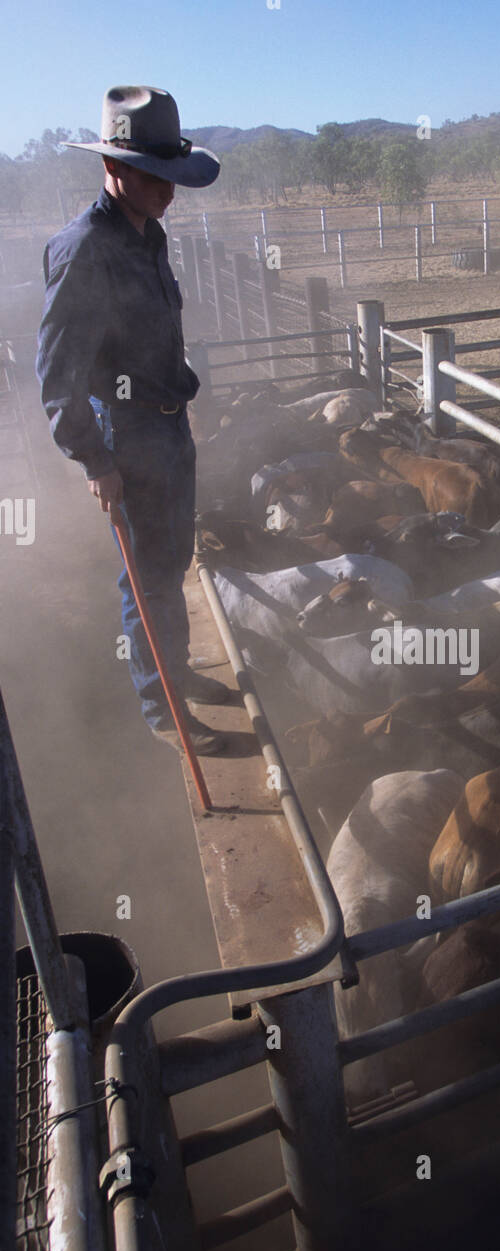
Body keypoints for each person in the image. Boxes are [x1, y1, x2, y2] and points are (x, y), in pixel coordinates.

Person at [36, 86, 228, 754]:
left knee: (171, 564)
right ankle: (162, 707)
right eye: (155, 177)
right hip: (126, 431)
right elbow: (58, 374)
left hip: (167, 424)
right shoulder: (84, 249)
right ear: (113, 167)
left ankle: (176, 675)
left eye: (171, 176)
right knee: (146, 578)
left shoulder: (149, 235)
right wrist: (96, 460)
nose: (169, 191)